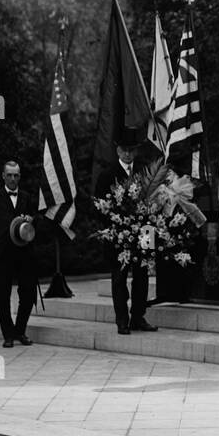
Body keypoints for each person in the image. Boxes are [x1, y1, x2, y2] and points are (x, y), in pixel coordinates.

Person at [95, 128, 161, 334]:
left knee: (142, 276)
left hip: (143, 232)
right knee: (119, 278)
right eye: (124, 150)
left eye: (131, 150)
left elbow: (154, 198)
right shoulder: (107, 174)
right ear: (118, 151)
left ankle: (138, 317)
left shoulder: (144, 172)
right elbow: (99, 206)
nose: (127, 154)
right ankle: (121, 319)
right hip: (118, 233)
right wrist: (116, 226)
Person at [0, 160, 38, 348]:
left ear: (20, 177)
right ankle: (8, 334)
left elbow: (36, 219)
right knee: (3, 294)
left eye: (16, 175)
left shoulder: (26, 196)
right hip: (3, 253)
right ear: (3, 176)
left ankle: (20, 331)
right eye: (9, 175)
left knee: (28, 293)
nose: (13, 178)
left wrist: (32, 219)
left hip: (25, 253)